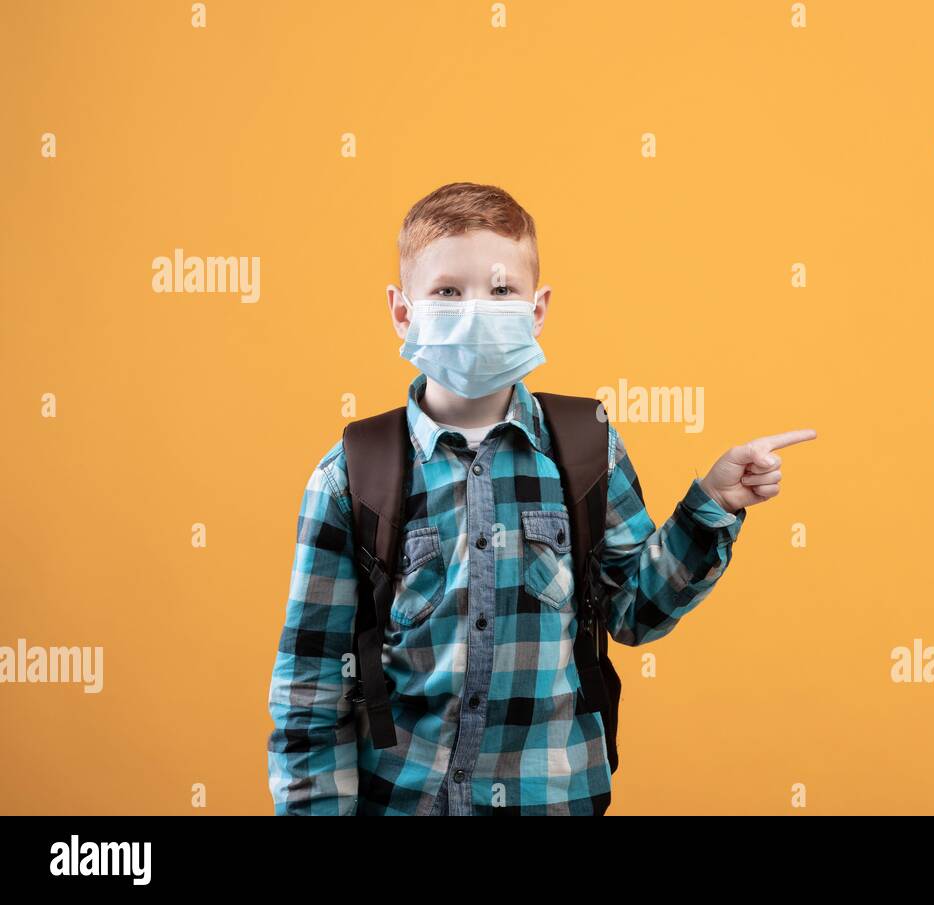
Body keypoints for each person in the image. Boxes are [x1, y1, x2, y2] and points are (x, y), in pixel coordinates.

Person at [266, 182, 816, 815]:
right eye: (448, 291)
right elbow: (310, 689)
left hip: (554, 800)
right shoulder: (351, 477)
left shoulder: (586, 448)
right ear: (402, 310)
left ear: (537, 308)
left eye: (501, 291)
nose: (476, 308)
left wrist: (714, 503)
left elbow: (636, 611)